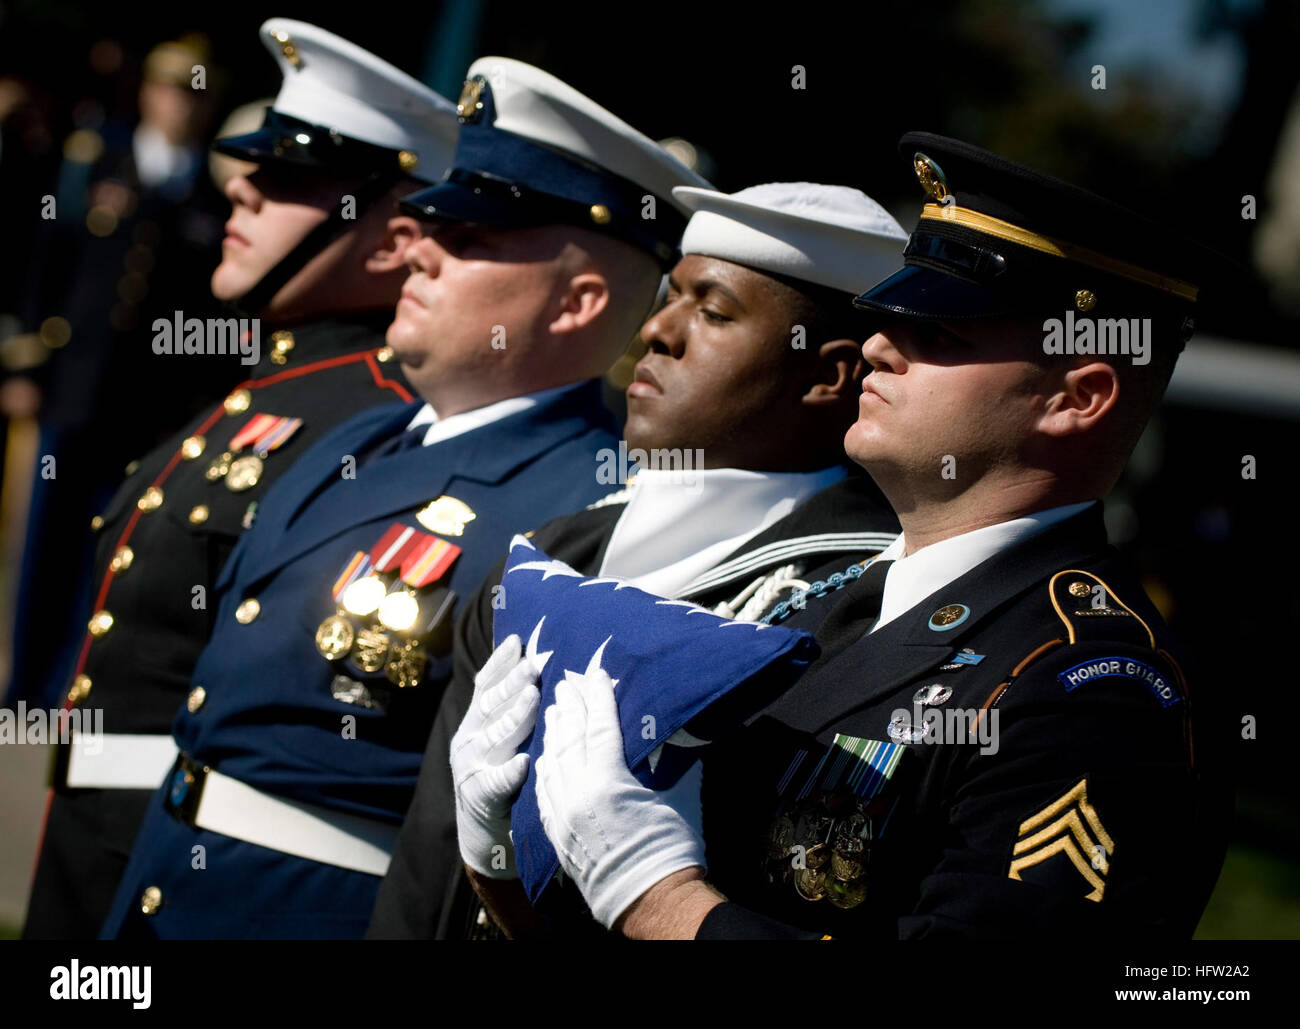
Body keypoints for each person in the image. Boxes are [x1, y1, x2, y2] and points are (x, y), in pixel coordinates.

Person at [468, 133, 1230, 939]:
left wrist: (660, 900)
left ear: (1078, 398)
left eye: (941, 335)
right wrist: (508, 867)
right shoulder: (820, 595)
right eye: (888, 320)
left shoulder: (1094, 692)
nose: (877, 345)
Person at [98, 55, 711, 940]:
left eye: (469, 237)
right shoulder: (357, 439)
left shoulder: (585, 516)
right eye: (431, 219)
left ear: (576, 304)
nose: (418, 246)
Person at [367, 181, 909, 938]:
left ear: (826, 375)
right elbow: (426, 876)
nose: (657, 329)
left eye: (713, 311)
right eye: (669, 299)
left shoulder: (867, 603)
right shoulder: (556, 549)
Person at [22, 19, 460, 940]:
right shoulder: (275, 378)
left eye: (292, 178)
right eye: (251, 165)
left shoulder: (381, 420)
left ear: (391, 239)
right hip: (102, 834)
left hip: (179, 857)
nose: (243, 188)